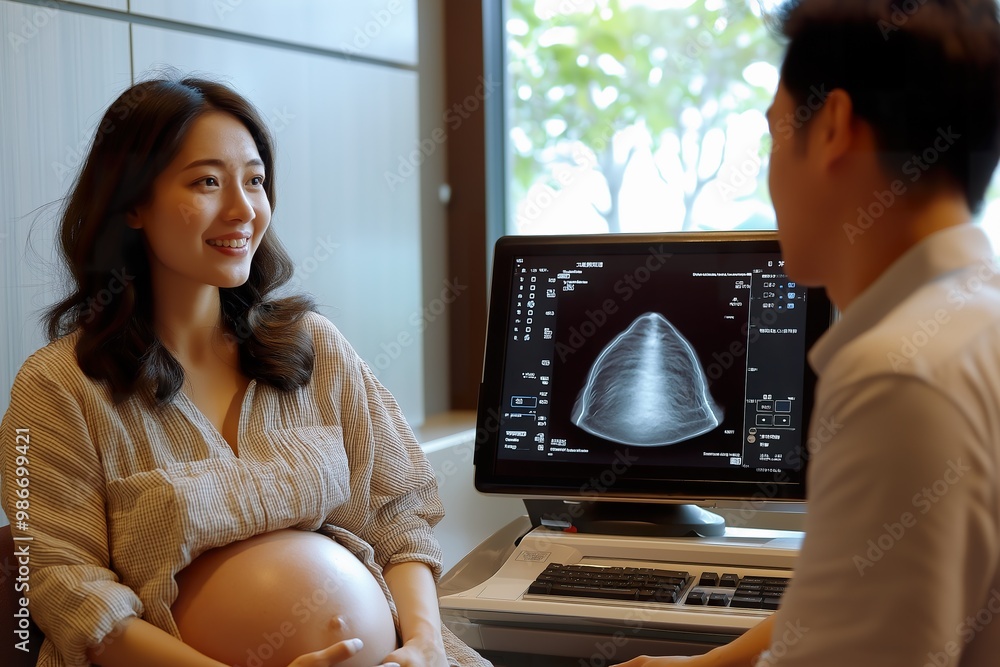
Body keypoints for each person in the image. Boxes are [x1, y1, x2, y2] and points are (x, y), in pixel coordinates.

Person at [0, 75, 491, 667]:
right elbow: (63, 588)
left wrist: (425, 647)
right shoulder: (57, 386)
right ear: (131, 202)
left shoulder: (314, 348)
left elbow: (397, 515)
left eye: (254, 181)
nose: (242, 210)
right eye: (207, 181)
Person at [614, 0, 1000, 665]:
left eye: (774, 132)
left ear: (833, 130)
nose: (770, 176)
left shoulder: (896, 378)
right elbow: (866, 601)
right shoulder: (972, 322)